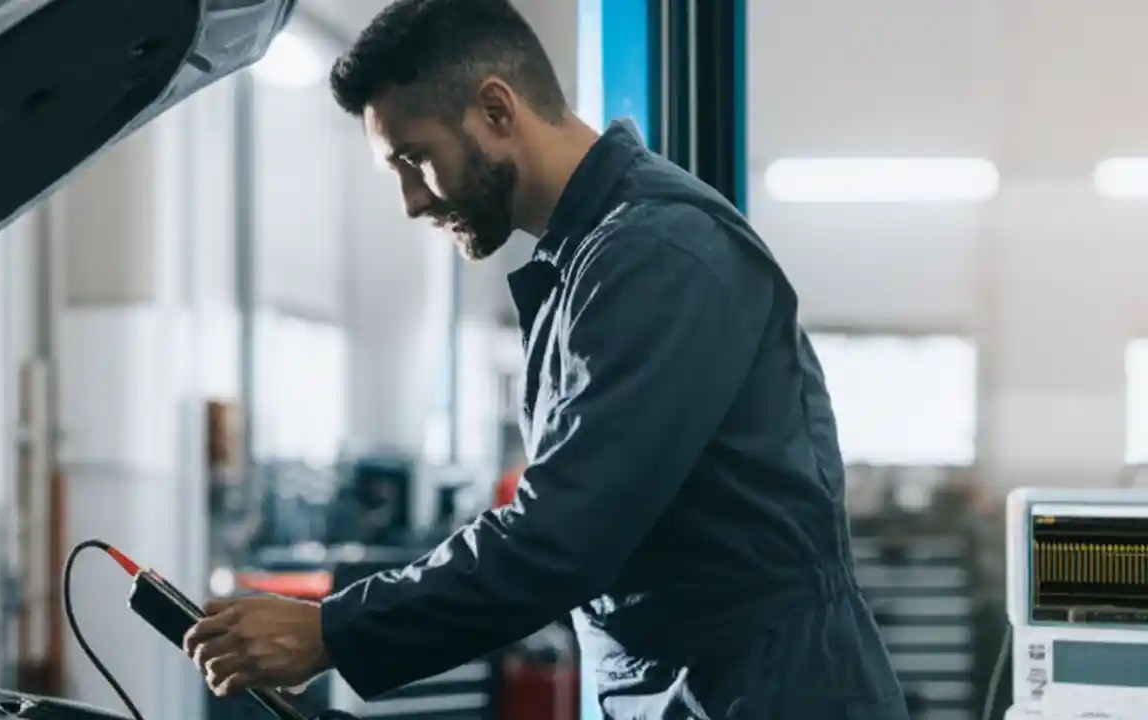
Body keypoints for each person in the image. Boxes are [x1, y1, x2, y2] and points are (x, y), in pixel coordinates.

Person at [184, 1, 909, 717]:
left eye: (416, 159)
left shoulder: (658, 256)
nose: (410, 201)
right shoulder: (586, 265)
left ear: (496, 110)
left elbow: (561, 537)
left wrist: (333, 631)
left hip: (767, 695)